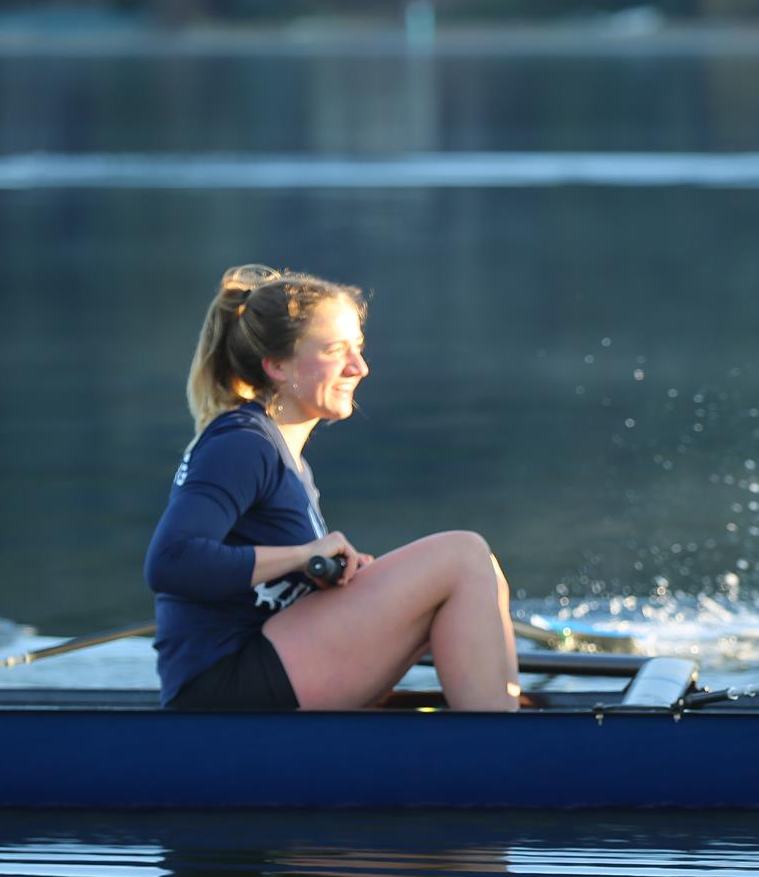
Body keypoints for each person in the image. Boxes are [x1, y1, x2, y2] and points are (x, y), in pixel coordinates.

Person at [145, 265, 519, 711]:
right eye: (335, 350)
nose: (359, 367)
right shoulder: (242, 444)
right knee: (463, 556)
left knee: (480, 574)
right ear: (276, 365)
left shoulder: (286, 457)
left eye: (357, 349)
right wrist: (304, 556)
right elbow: (171, 562)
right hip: (222, 683)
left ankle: (497, 716)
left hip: (266, 667)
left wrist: (324, 573)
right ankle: (504, 750)